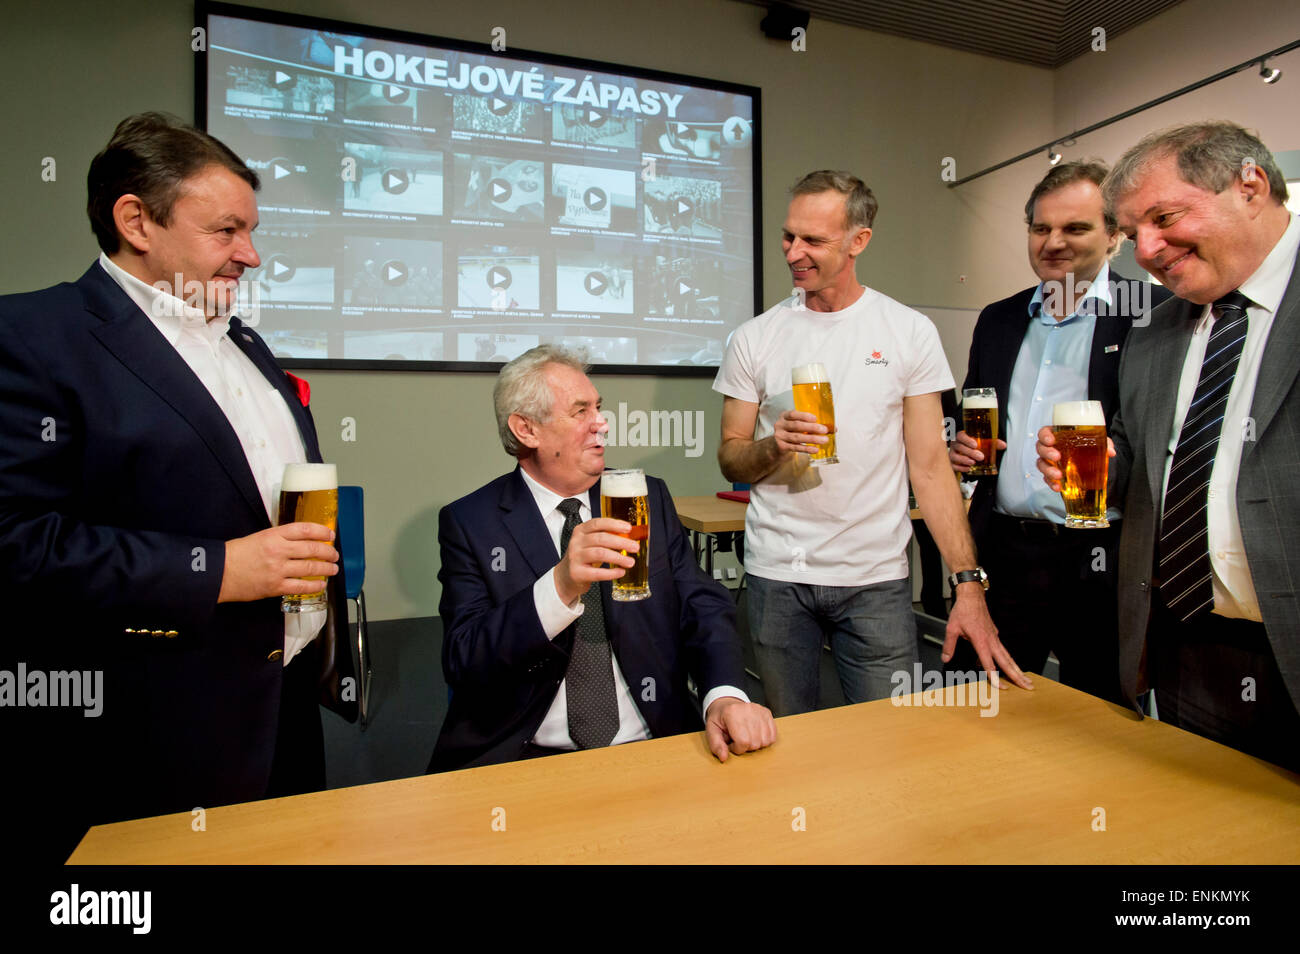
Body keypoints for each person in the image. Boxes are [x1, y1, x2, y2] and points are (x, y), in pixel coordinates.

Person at [0, 113, 347, 863]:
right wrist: (219, 570)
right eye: (226, 231)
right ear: (136, 221)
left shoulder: (247, 343)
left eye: (252, 232)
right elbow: (16, 544)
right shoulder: (32, 335)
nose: (250, 256)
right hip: (144, 740)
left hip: (284, 711)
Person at [714, 170, 1031, 717]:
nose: (794, 253)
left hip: (877, 581)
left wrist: (968, 585)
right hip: (777, 575)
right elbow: (730, 456)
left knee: (889, 743)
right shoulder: (754, 337)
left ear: (859, 240)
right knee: (789, 739)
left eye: (814, 240)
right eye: (789, 236)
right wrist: (773, 447)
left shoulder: (907, 331)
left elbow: (930, 470)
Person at [1037, 121, 1299, 770]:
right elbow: (1141, 473)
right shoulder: (1155, 329)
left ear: (1250, 186)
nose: (1146, 250)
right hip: (1186, 645)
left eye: (1164, 217)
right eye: (1132, 231)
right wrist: (1097, 471)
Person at [429, 345, 776, 771]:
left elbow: (701, 606)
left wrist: (724, 695)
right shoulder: (471, 522)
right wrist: (559, 586)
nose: (602, 423)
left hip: (654, 742)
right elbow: (464, 660)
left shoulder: (646, 495)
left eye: (599, 407)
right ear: (526, 430)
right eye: (580, 411)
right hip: (525, 757)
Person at [948, 161, 1170, 702]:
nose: (1053, 243)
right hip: (1006, 552)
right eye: (1040, 228)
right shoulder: (998, 319)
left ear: (1115, 234)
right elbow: (974, 420)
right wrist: (961, 447)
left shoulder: (1155, 315)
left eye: (1075, 228)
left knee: (1102, 716)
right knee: (980, 705)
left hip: (1103, 558)